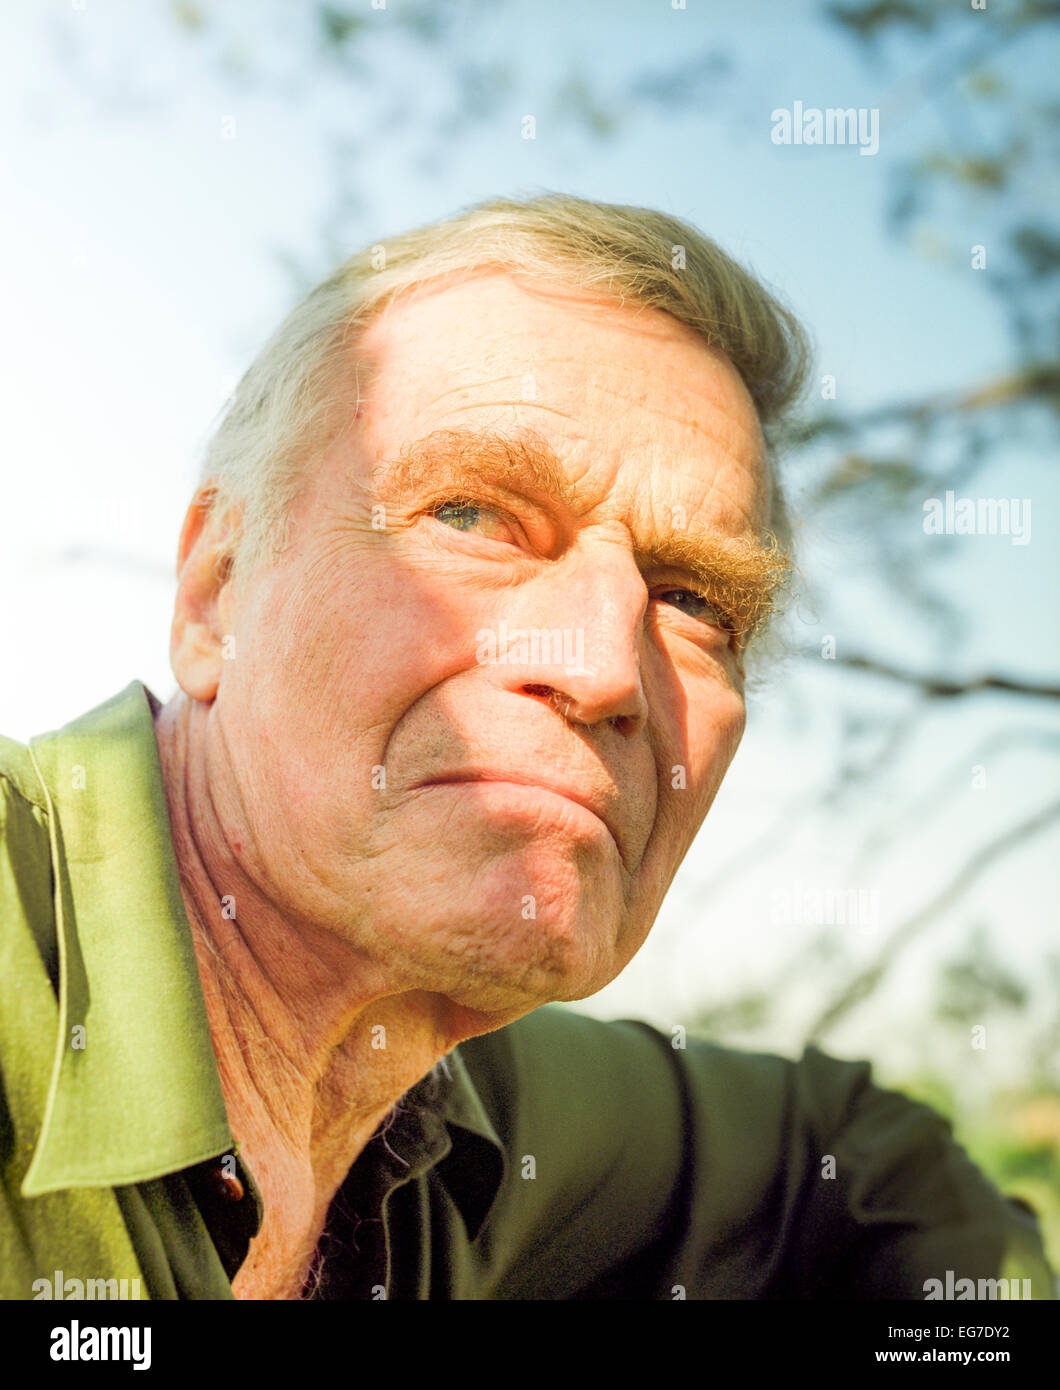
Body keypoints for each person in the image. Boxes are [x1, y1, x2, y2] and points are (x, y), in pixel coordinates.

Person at [0, 194, 1053, 1301]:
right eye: (473, 517)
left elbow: (857, 1155)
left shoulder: (465, 1088)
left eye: (694, 599)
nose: (602, 667)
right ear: (217, 593)